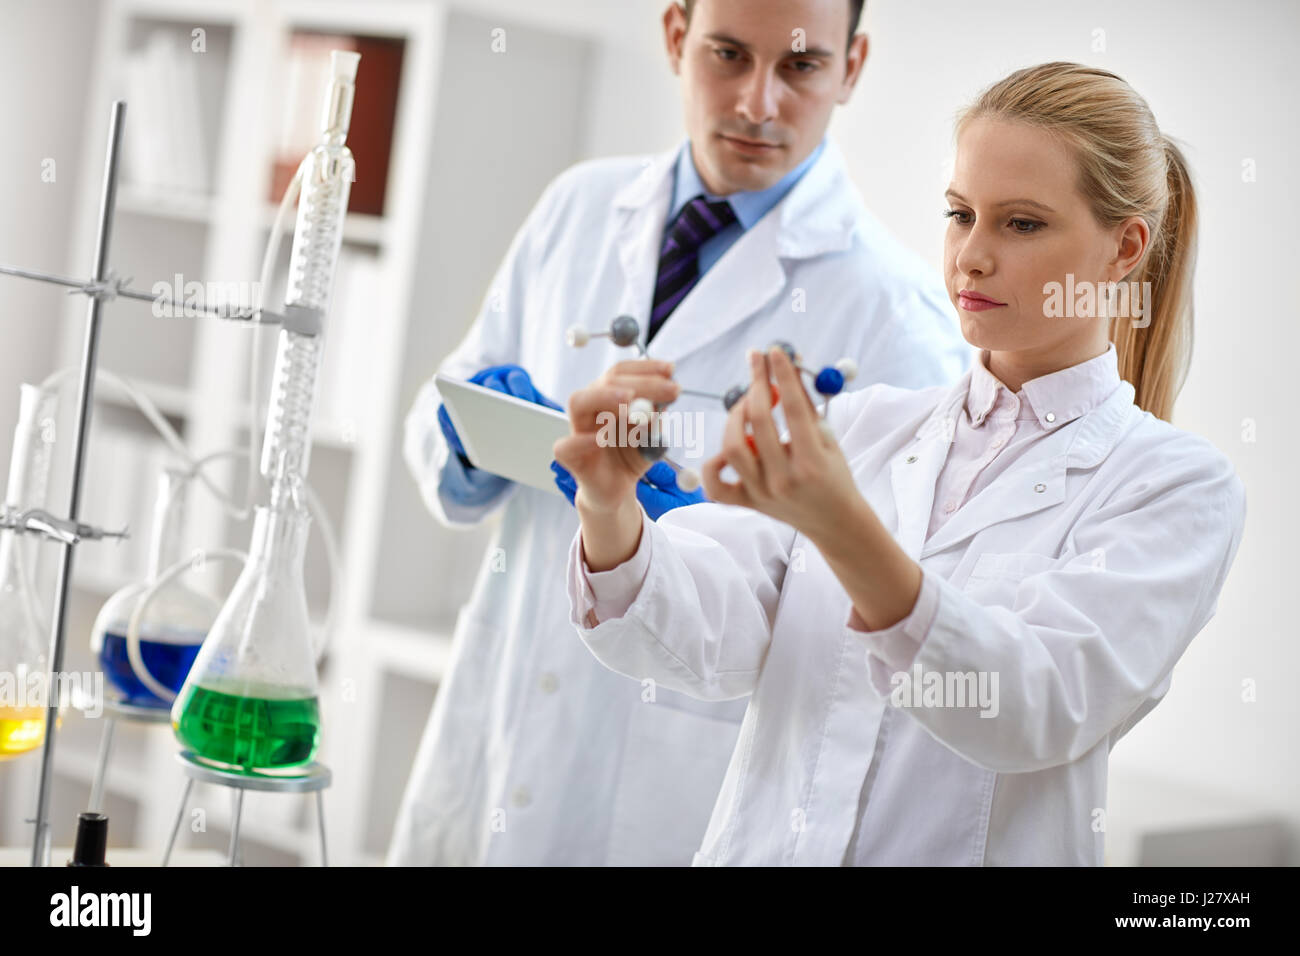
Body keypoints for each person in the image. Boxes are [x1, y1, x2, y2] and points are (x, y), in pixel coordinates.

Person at [557, 61, 1248, 865]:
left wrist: (842, 524)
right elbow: (711, 644)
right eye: (961, 215)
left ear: (1124, 247)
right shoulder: (864, 426)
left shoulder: (1175, 487)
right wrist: (611, 512)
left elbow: (1029, 705)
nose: (972, 257)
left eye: (1021, 224)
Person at [389, 0, 971, 866]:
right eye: (728, 54)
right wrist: (470, 434)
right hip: (505, 712)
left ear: (852, 67)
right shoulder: (578, 208)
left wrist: (711, 529)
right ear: (673, 37)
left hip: (677, 783)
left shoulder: (898, 316)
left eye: (802, 67)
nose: (757, 102)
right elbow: (437, 439)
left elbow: (895, 627)